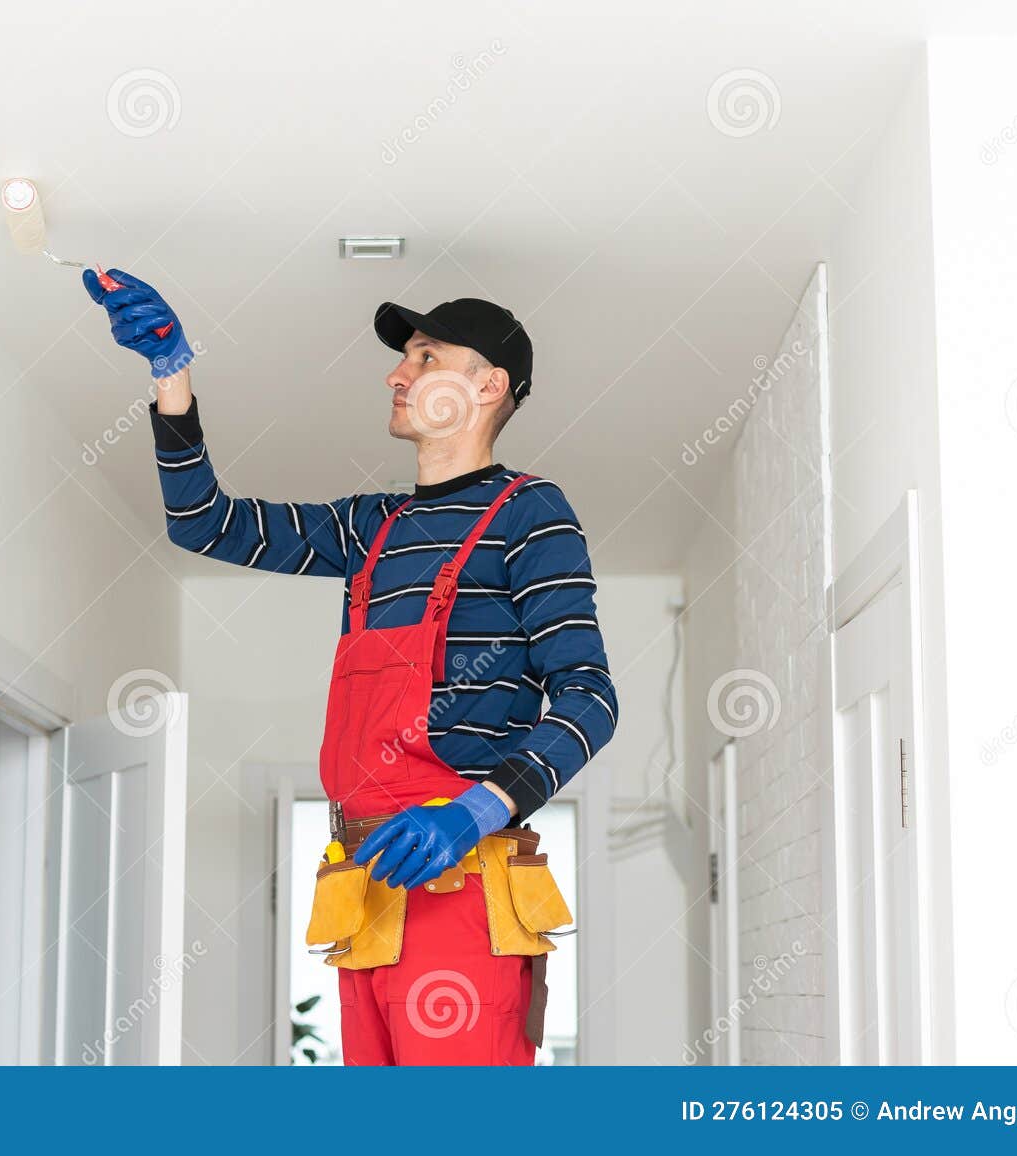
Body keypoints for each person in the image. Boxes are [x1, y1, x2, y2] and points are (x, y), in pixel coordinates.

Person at [86, 268, 618, 1065]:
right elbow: (205, 524)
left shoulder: (531, 514)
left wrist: (477, 811)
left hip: (461, 882)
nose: (397, 374)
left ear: (488, 385)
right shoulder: (372, 525)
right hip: (364, 889)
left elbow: (590, 698)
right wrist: (171, 376)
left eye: (426, 356)